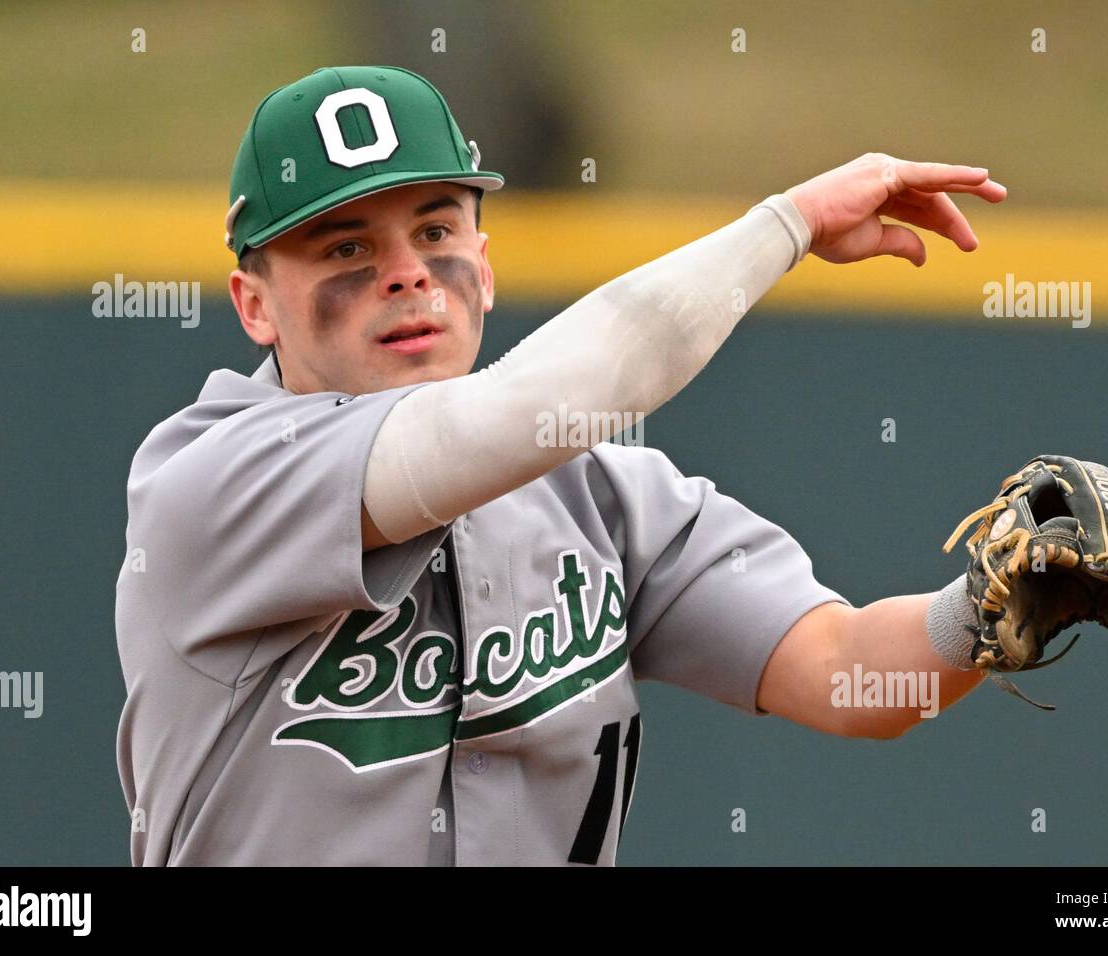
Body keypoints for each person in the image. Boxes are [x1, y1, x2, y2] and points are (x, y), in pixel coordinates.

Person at [115, 65, 1007, 865]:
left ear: (486, 268)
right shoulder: (209, 484)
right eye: (346, 247)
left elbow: (850, 674)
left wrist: (998, 604)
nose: (406, 274)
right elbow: (499, 422)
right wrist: (790, 224)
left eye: (435, 232)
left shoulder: (602, 496)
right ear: (254, 305)